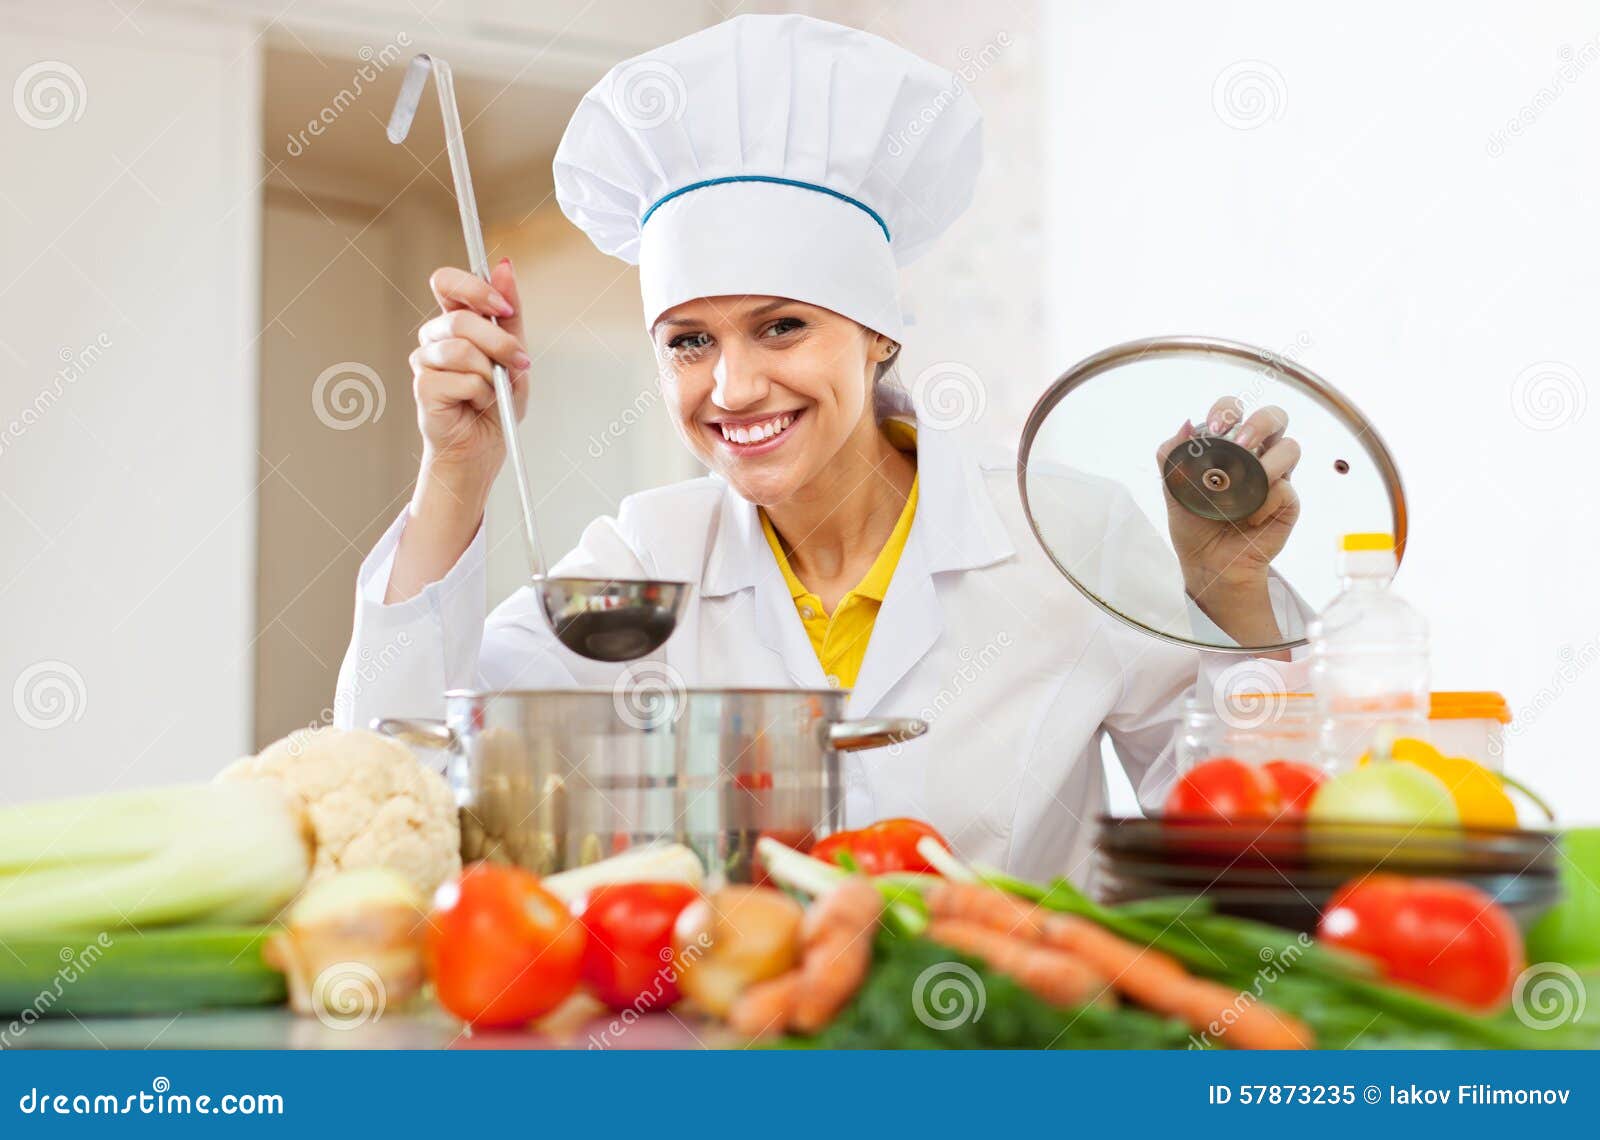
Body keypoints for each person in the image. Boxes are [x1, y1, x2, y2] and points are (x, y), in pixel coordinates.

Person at [335, 14, 1301, 880]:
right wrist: (455, 472)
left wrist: (1231, 595)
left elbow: (1252, 843)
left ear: (878, 333)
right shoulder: (642, 564)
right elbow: (396, 778)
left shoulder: (1067, 535)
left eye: (782, 326)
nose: (733, 387)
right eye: (689, 342)